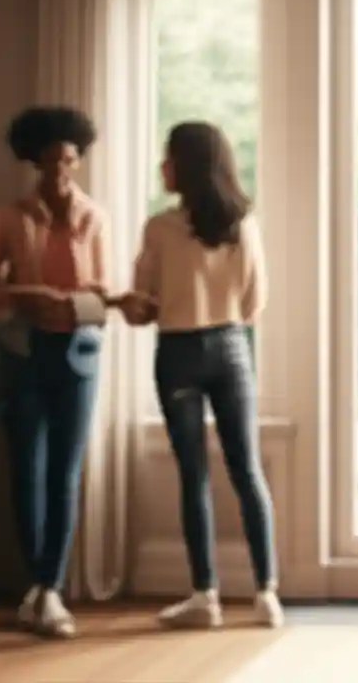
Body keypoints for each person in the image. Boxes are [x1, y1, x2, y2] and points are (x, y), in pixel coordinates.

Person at [120, 121, 282, 629]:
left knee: (194, 475)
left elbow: (142, 307)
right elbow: (254, 303)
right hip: (231, 348)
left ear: (185, 165)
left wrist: (130, 304)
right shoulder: (243, 223)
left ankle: (204, 595)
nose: (162, 167)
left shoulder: (160, 227)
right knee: (246, 469)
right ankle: (266, 594)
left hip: (179, 353)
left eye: (168, 157)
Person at [0, 106, 109, 638]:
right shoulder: (10, 218)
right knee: (26, 468)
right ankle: (36, 584)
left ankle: (51, 588)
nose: (60, 173)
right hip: (24, 353)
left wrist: (77, 303)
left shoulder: (95, 217)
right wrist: (25, 295)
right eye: (49, 163)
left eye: (68, 162)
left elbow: (104, 294)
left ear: (79, 160)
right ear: (33, 161)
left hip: (78, 354)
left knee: (64, 472)